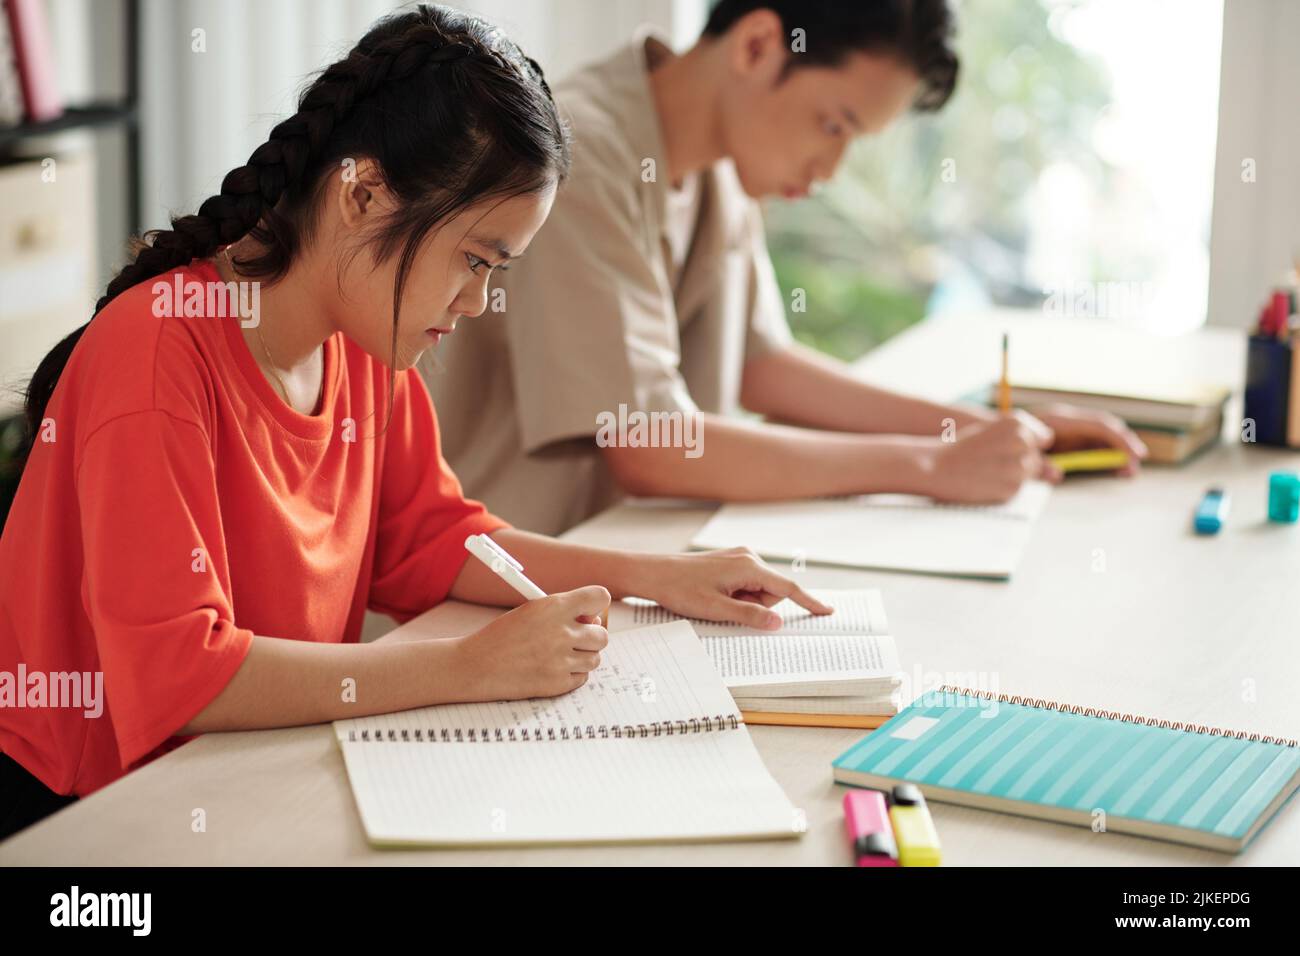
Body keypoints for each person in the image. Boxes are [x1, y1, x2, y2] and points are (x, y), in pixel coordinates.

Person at [0, 4, 825, 839]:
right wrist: (469, 667)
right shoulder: (156, 355)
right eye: (474, 260)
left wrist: (657, 577)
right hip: (87, 814)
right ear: (361, 193)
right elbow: (179, 676)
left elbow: (433, 541)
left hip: (241, 772)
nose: (477, 302)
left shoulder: (361, 342)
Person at [423, 0, 1148, 535]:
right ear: (759, 44)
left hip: (608, 561)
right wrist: (927, 468)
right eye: (834, 124)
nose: (832, 167)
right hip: (482, 593)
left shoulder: (719, 168)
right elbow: (647, 442)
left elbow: (763, 366)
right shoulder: (576, 153)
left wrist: (985, 432)